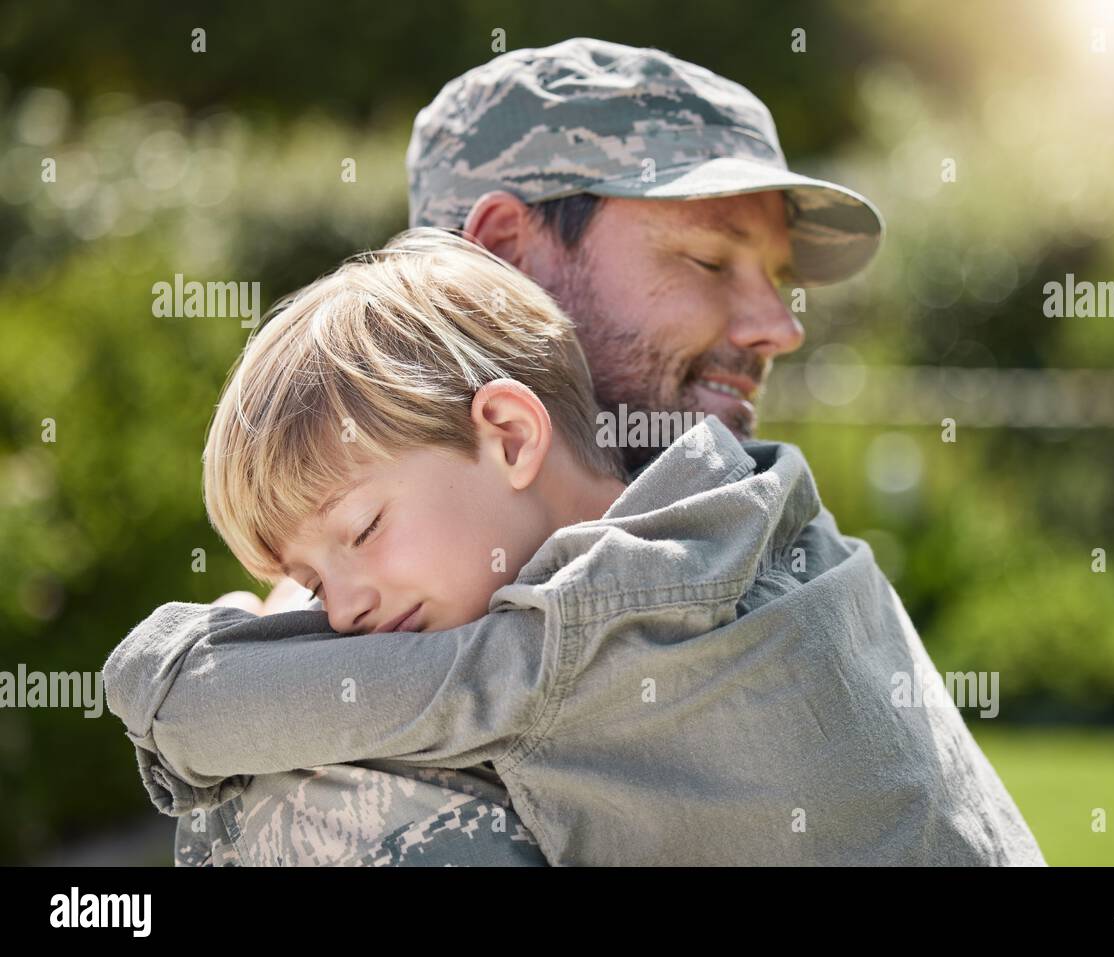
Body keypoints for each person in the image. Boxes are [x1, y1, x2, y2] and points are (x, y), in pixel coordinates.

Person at [104, 228, 1045, 865]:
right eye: (310, 581)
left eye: (361, 531)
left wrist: (228, 626)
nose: (342, 609)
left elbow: (196, 709)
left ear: (511, 435)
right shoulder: (759, 513)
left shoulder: (563, 646)